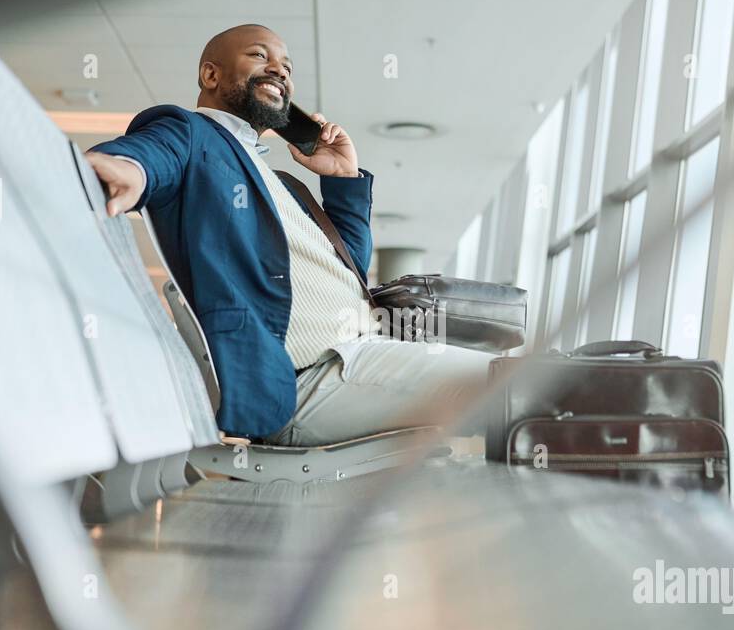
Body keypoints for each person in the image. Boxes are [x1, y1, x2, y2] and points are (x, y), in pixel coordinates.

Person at [86, 24, 491, 446]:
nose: (279, 70)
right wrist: (129, 167)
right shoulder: (193, 134)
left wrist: (343, 176)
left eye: (287, 66)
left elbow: (348, 267)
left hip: (361, 354)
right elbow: (156, 151)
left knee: (528, 386)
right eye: (260, 56)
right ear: (211, 76)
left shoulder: (281, 183)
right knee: (520, 387)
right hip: (306, 378)